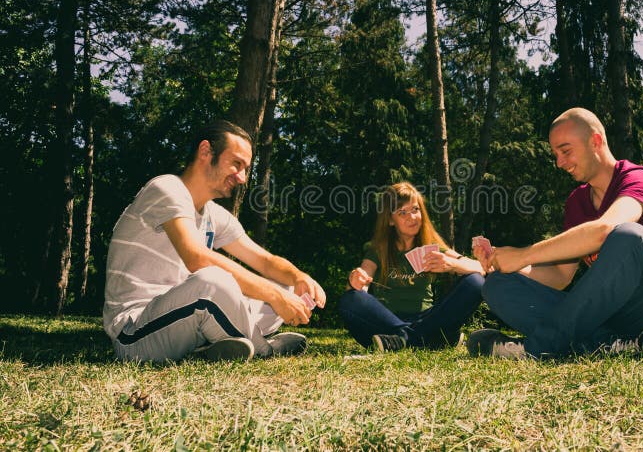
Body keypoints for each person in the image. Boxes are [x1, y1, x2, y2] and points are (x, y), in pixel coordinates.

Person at [467, 108, 643, 359]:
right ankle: (614, 346)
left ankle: (537, 347)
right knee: (497, 285)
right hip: (607, 318)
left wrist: (524, 255)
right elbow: (560, 276)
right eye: (556, 155)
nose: (559, 163)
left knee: (630, 236)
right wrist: (507, 263)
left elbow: (604, 230)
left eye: (565, 151)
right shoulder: (577, 202)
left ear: (595, 141)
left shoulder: (637, 178)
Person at [103, 120, 326, 363]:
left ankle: (211, 347)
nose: (242, 178)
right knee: (213, 280)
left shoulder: (213, 214)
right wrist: (274, 296)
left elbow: (265, 261)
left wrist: (298, 277)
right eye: (237, 164)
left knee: (286, 285)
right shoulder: (166, 188)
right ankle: (265, 349)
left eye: (246, 169)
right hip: (135, 333)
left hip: (186, 317)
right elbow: (197, 258)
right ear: (206, 151)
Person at [338, 182, 485, 352]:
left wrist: (452, 264)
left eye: (415, 209)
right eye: (402, 212)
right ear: (390, 220)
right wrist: (357, 280)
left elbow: (480, 269)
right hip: (385, 321)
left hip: (428, 320)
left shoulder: (431, 245)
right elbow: (360, 283)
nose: (412, 217)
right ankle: (429, 340)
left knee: (476, 282)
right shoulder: (379, 249)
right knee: (349, 300)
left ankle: (402, 340)